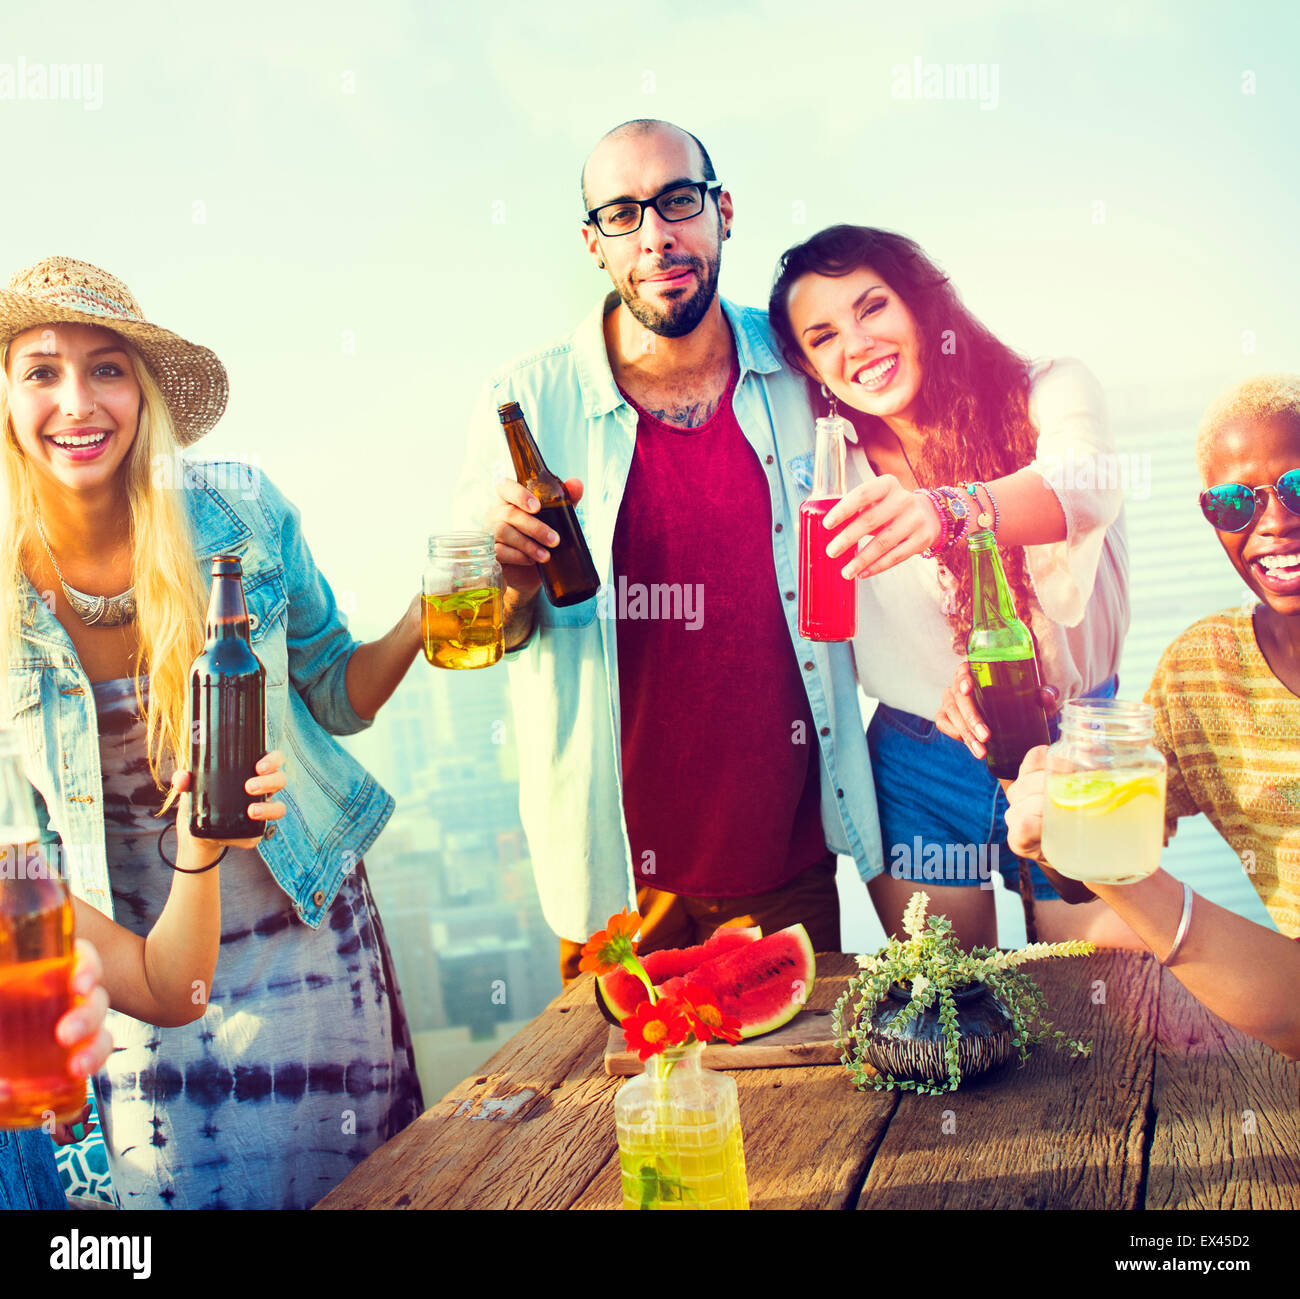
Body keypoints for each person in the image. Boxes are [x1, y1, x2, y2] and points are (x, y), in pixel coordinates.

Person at [0, 257, 426, 1209]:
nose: (78, 401)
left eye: (107, 367)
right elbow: (18, 876)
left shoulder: (241, 512)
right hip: (137, 973)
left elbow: (335, 693)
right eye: (41, 370)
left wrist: (422, 620)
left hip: (312, 944)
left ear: (143, 391)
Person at [455, 121, 881, 982]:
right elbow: (481, 634)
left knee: (797, 1111)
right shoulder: (523, 402)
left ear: (723, 211)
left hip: (786, 864)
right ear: (594, 243)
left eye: (679, 201)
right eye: (622, 214)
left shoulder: (806, 368)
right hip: (609, 880)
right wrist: (506, 577)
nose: (657, 235)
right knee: (630, 1115)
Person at [768, 225, 1133, 951]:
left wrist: (946, 510)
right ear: (811, 367)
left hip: (1075, 745)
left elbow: (1085, 488)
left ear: (922, 306)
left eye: (872, 307)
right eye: (824, 336)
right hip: (919, 762)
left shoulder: (1048, 388)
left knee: (1113, 1000)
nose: (857, 345)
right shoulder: (828, 470)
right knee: (956, 1014)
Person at [999, 374, 1300, 1060]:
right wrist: (1043, 789)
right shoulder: (1205, 670)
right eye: (1234, 503)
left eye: (1298, 486)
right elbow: (1093, 866)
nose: (1275, 521)